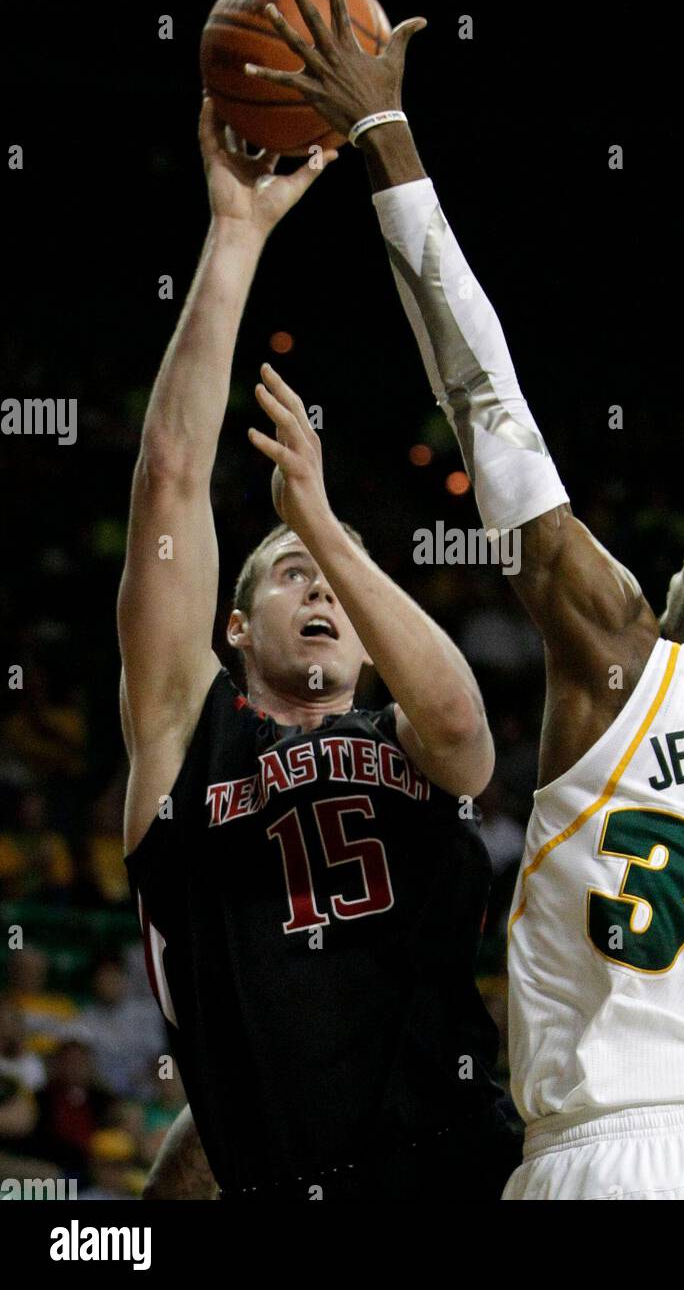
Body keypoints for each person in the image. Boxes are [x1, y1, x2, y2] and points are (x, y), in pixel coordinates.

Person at [247, 0, 684, 1200]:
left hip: (608, 1161)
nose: (663, 569)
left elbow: (486, 401)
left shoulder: (618, 660)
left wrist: (385, 135)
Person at [118, 95, 519, 1201]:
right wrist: (237, 231)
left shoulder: (412, 734)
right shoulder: (184, 734)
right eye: (286, 572)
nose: (320, 589)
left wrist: (328, 528)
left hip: (462, 1164)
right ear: (234, 627)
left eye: (334, 582)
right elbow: (170, 479)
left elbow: (467, 736)